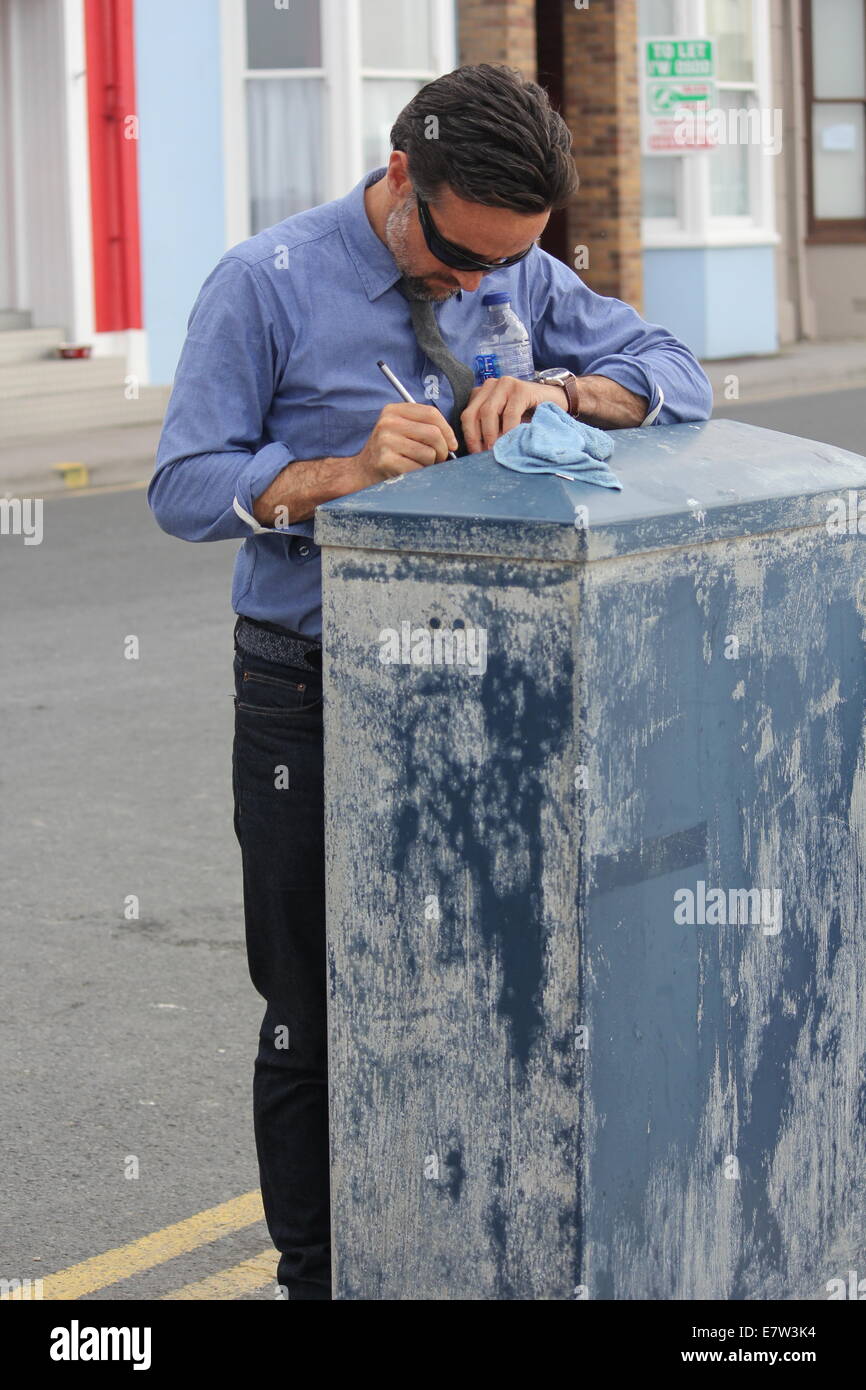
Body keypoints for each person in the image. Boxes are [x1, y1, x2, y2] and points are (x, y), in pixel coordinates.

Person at [148, 62, 713, 1301]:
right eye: (456, 261)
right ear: (402, 178)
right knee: (313, 1010)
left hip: (491, 683)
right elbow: (183, 488)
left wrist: (562, 387)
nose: (473, 290)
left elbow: (679, 372)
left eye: (497, 271)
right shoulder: (264, 283)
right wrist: (334, 471)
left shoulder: (515, 268)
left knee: (489, 987)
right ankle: (316, 1279)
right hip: (310, 685)